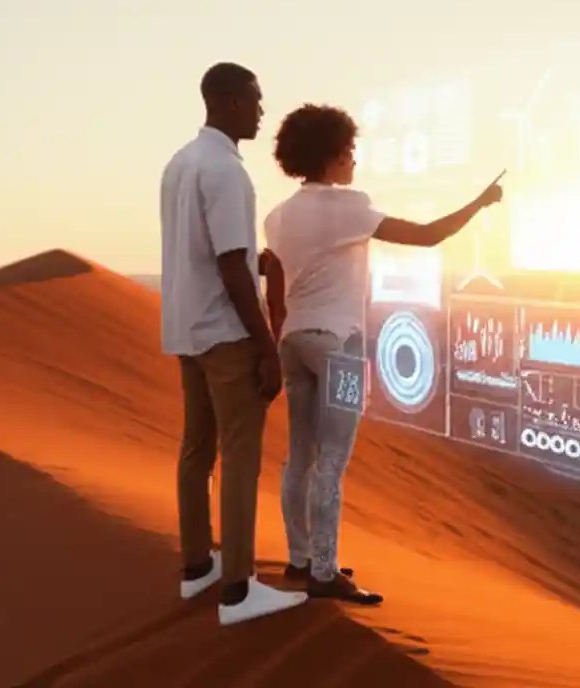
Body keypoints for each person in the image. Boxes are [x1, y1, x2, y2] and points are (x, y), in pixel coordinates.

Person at [262, 103, 504, 603]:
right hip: (341, 347)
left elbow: (279, 279)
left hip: (294, 342)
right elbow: (428, 235)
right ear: (331, 156)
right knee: (333, 457)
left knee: (300, 455)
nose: (354, 159)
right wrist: (478, 203)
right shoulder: (349, 206)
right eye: (349, 151)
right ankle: (326, 574)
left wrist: (280, 329)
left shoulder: (277, 216)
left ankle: (301, 559)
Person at [159, 62, 308, 626]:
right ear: (226, 102)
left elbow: (205, 251)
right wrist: (267, 345)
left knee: (196, 450)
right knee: (240, 456)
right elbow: (226, 260)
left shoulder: (179, 164)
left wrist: (255, 260)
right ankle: (240, 589)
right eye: (255, 99)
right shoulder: (225, 170)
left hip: (187, 329)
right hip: (226, 333)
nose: (262, 111)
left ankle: (198, 567)